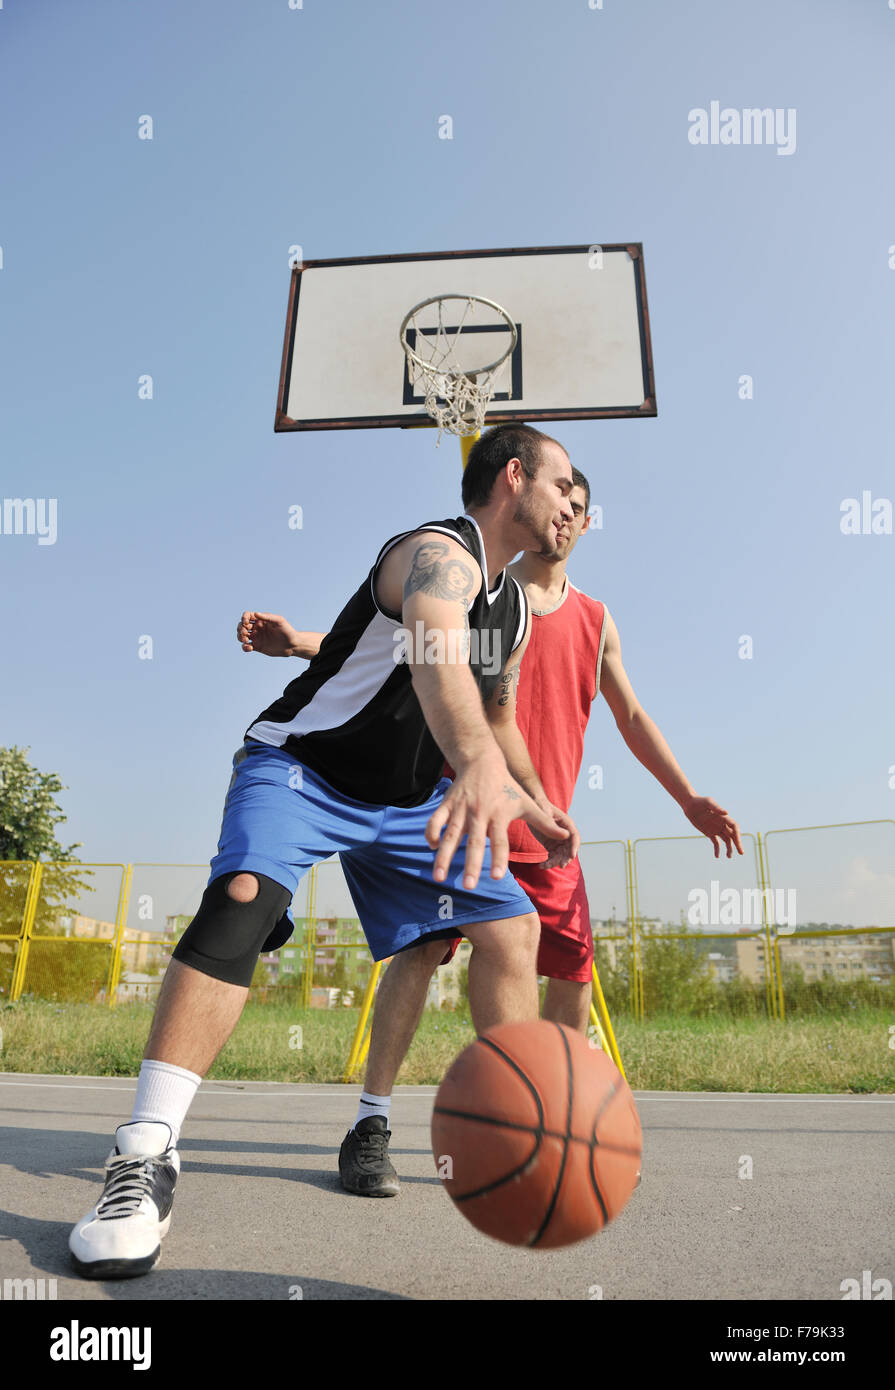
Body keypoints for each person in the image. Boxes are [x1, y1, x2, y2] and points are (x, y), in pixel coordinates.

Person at [68, 423, 582, 1278]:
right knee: (242, 899)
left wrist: (529, 801)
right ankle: (143, 1157)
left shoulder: (515, 605)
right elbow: (429, 654)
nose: (572, 502)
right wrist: (483, 769)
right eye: (562, 483)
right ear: (514, 476)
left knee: (510, 931)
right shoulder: (435, 554)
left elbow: (492, 714)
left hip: (412, 804)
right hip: (303, 771)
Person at [241, 451, 743, 1197]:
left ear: (585, 520)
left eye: (578, 500)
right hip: (460, 802)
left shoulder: (589, 619)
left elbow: (630, 715)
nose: (567, 508)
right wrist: (306, 644)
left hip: (541, 819)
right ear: (523, 489)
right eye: (560, 490)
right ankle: (371, 1124)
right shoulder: (475, 584)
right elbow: (413, 640)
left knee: (568, 968)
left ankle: (548, 1118)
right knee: (421, 950)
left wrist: (685, 797)